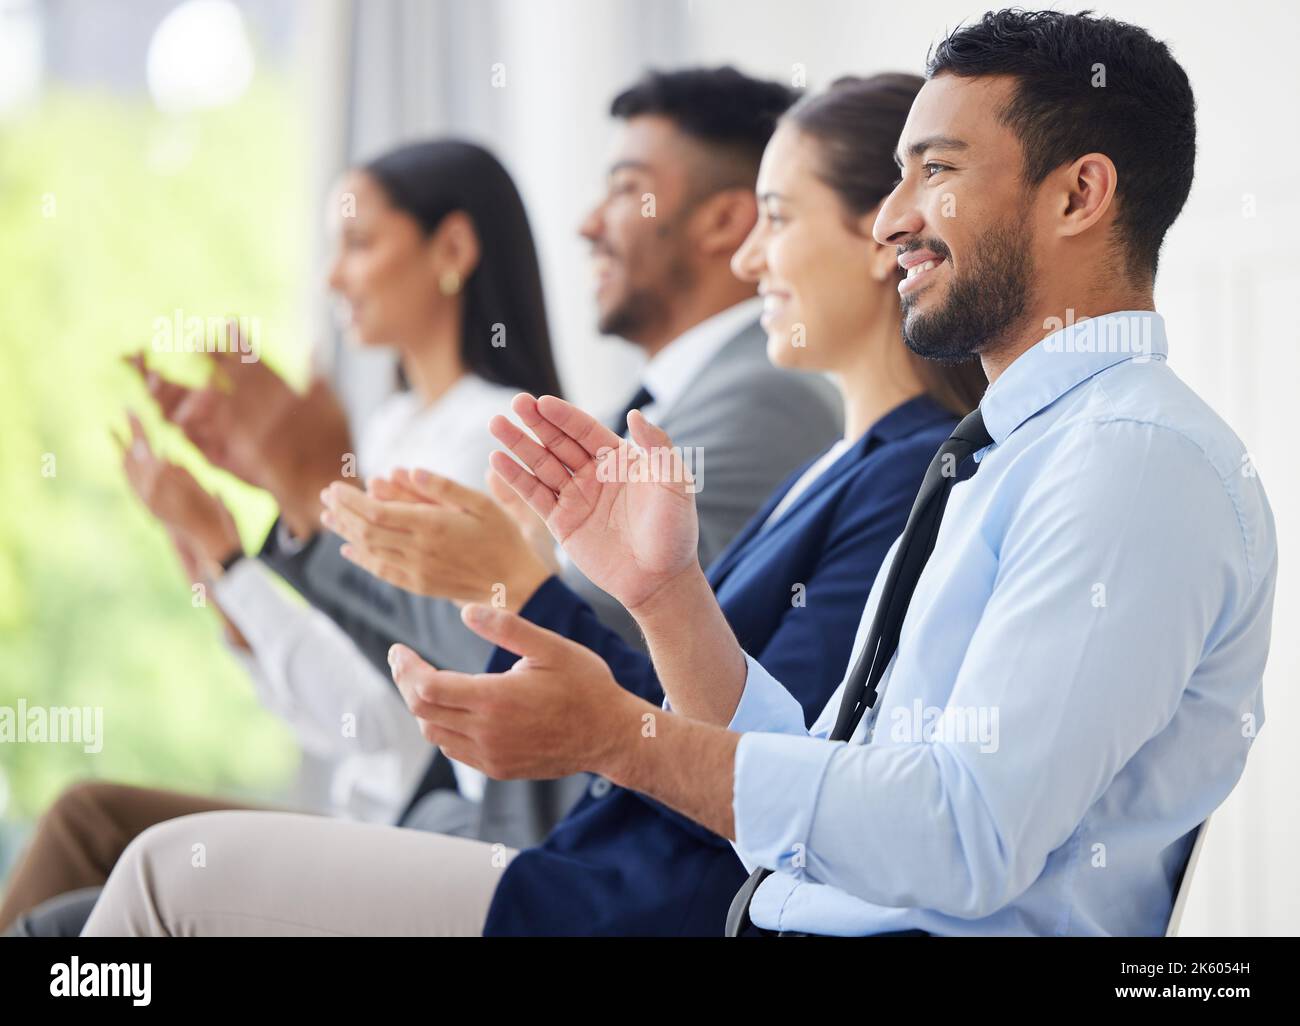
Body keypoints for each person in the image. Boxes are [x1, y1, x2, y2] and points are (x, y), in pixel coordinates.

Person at [379, 10, 1272, 936]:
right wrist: (666, 594)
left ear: (1079, 195)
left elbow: (962, 837)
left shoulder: (1128, 463)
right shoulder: (1008, 453)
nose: (890, 222)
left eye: (937, 170)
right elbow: (826, 781)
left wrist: (620, 738)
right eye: (897, 176)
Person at [78, 72, 986, 937]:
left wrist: (526, 586)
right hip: (579, 851)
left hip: (621, 888)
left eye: (776, 218)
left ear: (886, 238)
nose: (754, 257)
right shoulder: (833, 464)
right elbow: (728, 735)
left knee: (162, 872)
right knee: (109, 874)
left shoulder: (878, 467)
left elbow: (766, 777)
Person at [253, 67, 844, 848]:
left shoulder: (762, 400)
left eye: (624, 190)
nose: (587, 224)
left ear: (722, 221)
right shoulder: (641, 409)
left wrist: (317, 510)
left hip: (574, 845)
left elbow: (587, 641)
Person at [0, 139, 561, 935]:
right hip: (364, 813)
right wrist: (219, 569)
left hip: (415, 830)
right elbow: (328, 717)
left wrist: (237, 562)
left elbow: (379, 714)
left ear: (454, 249)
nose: (334, 276)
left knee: (63, 913)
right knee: (84, 820)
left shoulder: (489, 442)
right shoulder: (396, 426)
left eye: (360, 243)